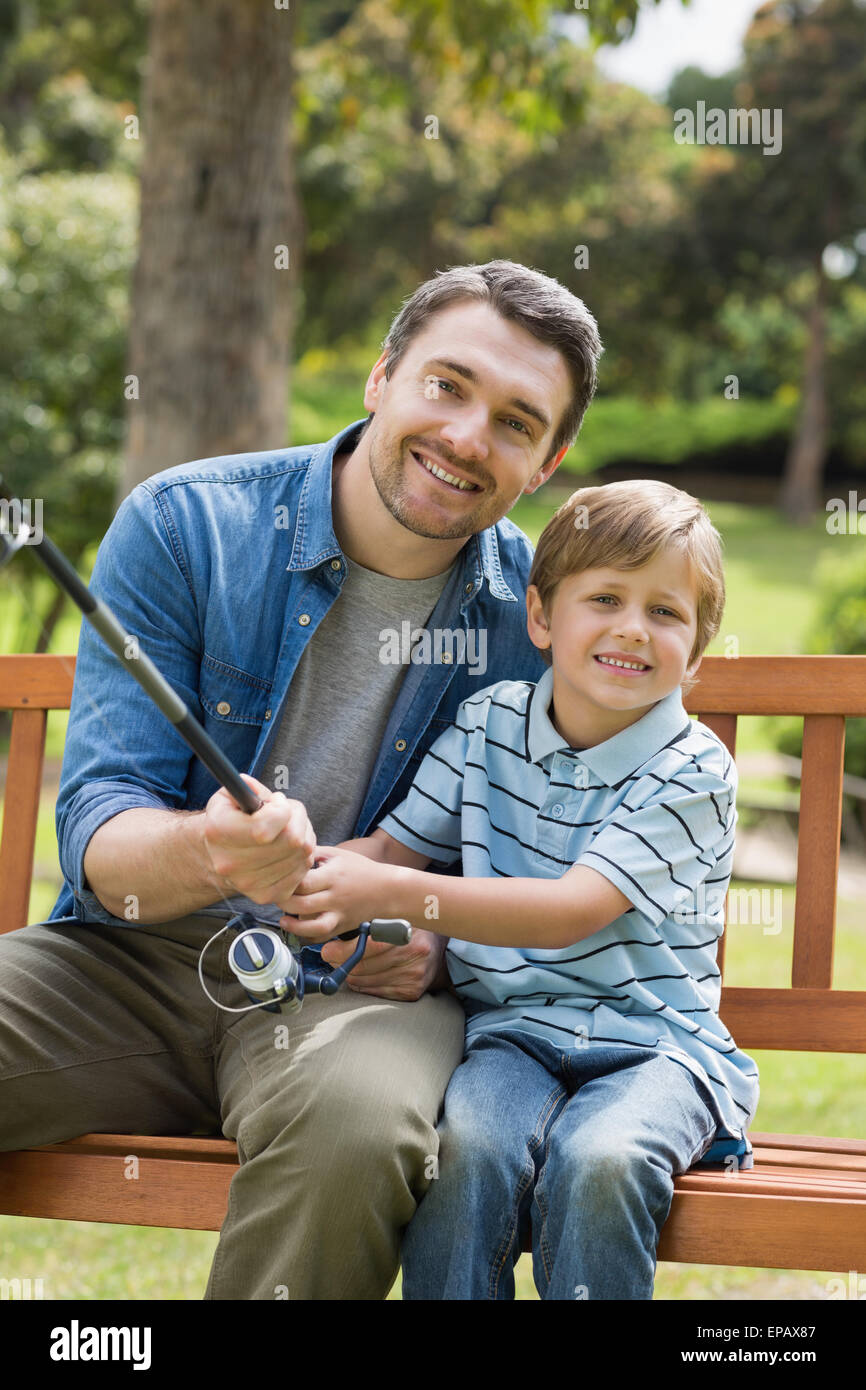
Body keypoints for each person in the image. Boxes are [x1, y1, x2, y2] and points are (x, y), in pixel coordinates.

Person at [0, 260, 604, 1300]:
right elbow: (102, 845)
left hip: (350, 1005)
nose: (465, 437)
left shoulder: (537, 628)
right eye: (445, 385)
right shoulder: (188, 527)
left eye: (515, 422)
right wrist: (207, 848)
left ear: (546, 461)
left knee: (354, 1130)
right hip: (135, 961)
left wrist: (434, 936)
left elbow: (571, 885)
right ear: (380, 378)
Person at [278, 479, 761, 1300]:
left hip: (656, 1050)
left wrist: (383, 891)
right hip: (510, 1037)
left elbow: (569, 912)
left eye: (666, 613)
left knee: (599, 1159)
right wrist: (305, 865)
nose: (632, 629)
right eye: (605, 597)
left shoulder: (694, 768)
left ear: (699, 650)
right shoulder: (489, 724)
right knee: (464, 1152)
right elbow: (392, 847)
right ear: (541, 617)